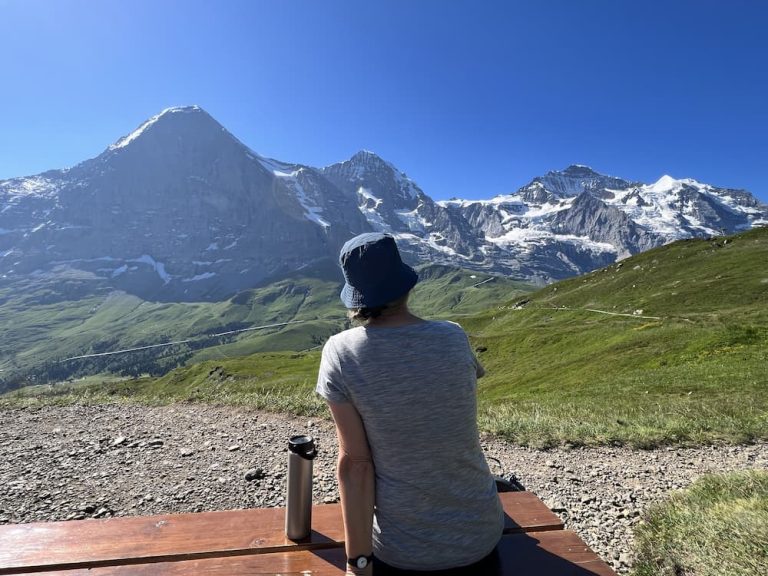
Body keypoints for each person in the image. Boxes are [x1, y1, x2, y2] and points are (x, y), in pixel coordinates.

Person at [316, 233, 504, 576]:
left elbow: (356, 463)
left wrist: (357, 563)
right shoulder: (454, 335)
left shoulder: (340, 353)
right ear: (406, 286)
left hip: (403, 552)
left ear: (356, 297)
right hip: (482, 537)